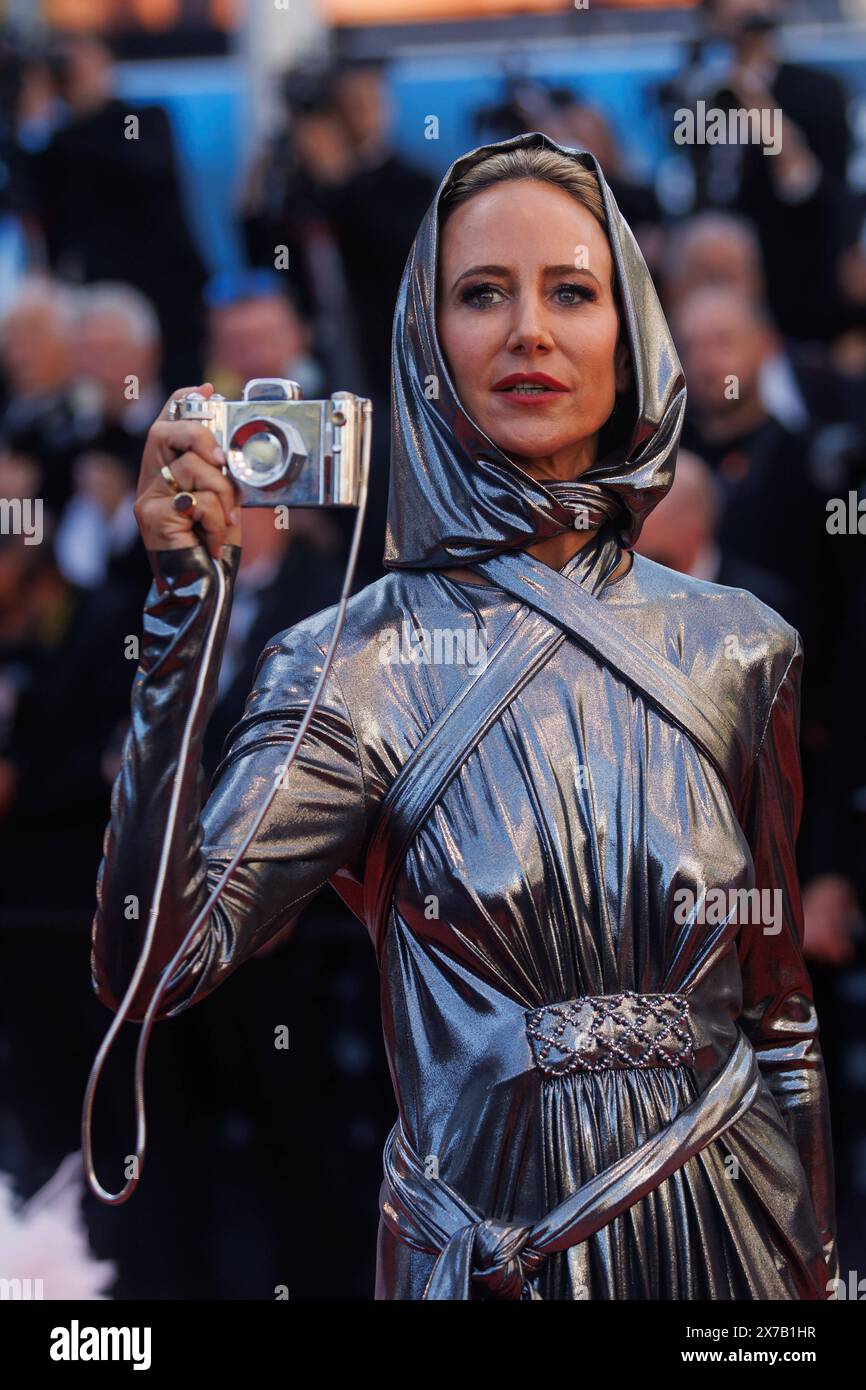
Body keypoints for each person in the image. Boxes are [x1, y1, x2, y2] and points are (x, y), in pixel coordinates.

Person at [90, 133, 837, 1301]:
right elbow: (155, 963)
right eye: (480, 292)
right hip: (493, 1264)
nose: (528, 330)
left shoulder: (740, 645)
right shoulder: (349, 662)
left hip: (735, 1258)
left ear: (629, 337)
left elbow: (781, 1019)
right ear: (424, 345)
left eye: (572, 292)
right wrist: (183, 619)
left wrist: (814, 1274)